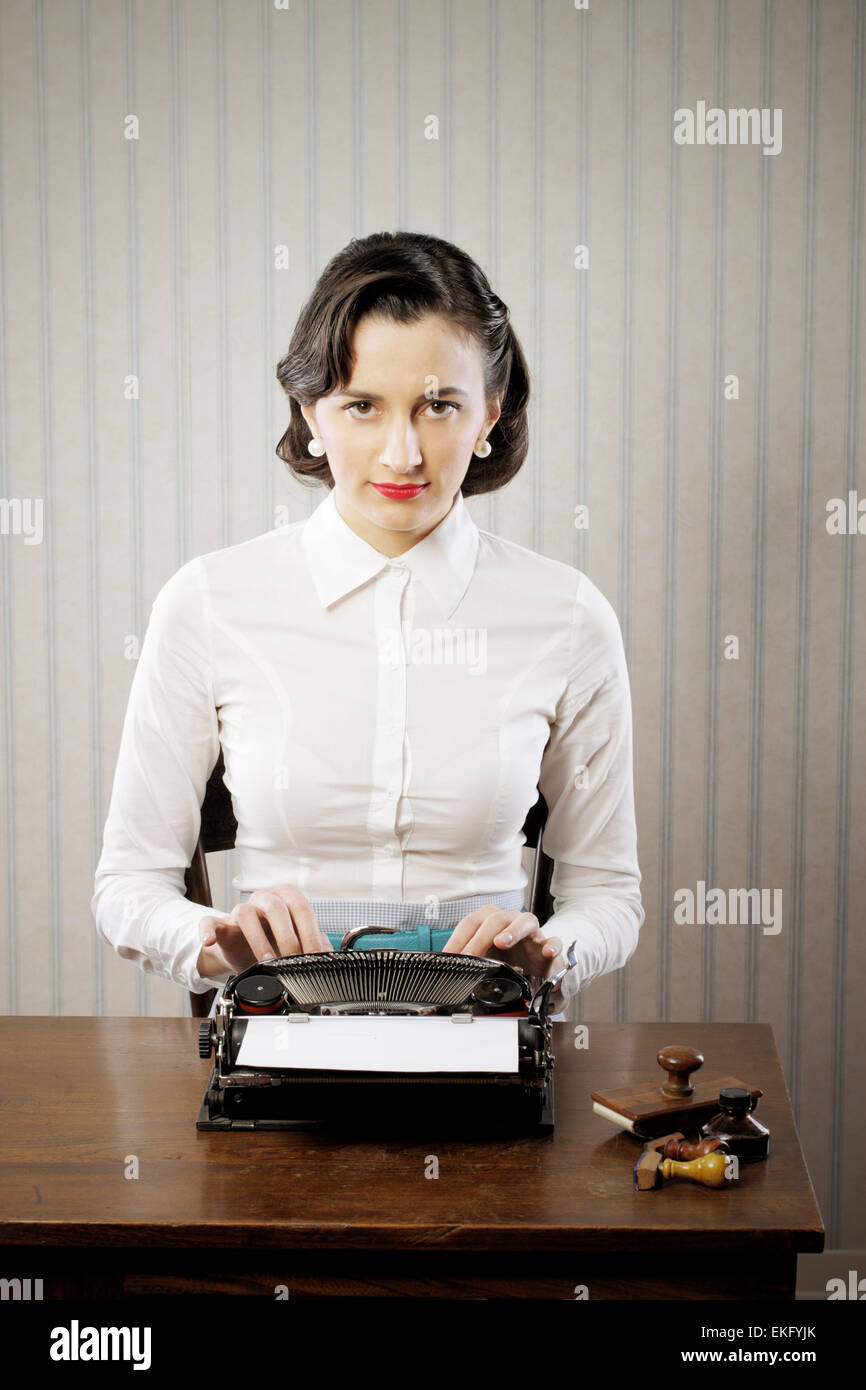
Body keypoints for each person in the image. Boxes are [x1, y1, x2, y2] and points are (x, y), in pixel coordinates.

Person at [91, 230, 644, 1017]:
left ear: (490, 413)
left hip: (487, 1036)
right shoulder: (208, 602)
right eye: (361, 406)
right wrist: (216, 941)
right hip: (277, 1036)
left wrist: (554, 949)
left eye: (439, 406)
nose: (402, 454)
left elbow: (606, 891)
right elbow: (130, 885)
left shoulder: (569, 617)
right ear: (311, 412)